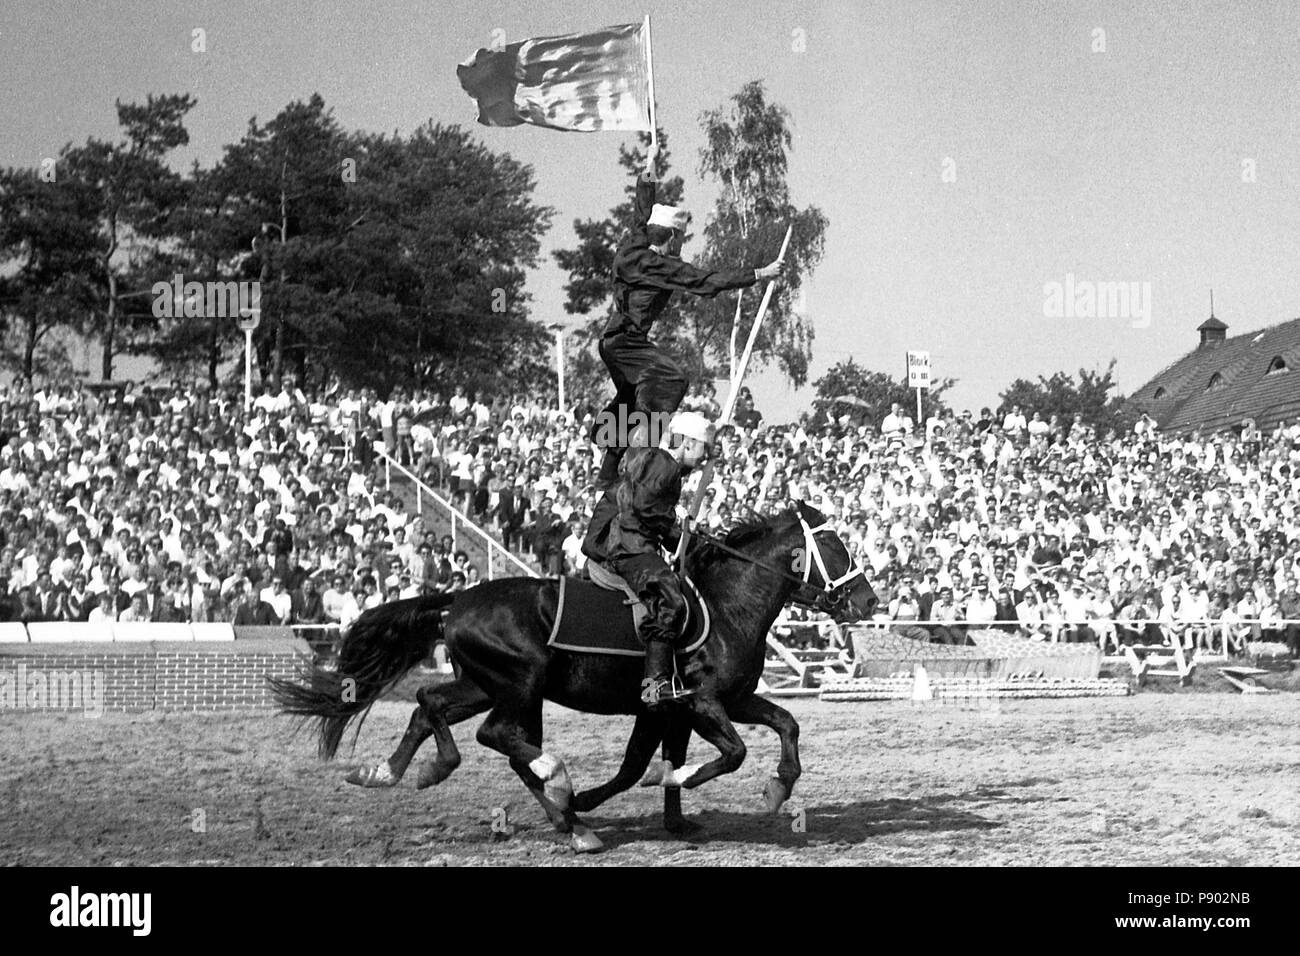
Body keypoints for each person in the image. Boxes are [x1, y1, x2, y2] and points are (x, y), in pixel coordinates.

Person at [591, 145, 785, 487]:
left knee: (630, 398)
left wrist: (649, 167)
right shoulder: (661, 265)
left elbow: (641, 208)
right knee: (673, 379)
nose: (682, 244)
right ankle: (644, 453)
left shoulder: (632, 244)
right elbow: (706, 281)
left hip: (611, 341)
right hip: (627, 341)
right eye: (680, 237)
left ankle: (608, 471)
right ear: (670, 237)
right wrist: (759, 273)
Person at [581, 411, 714, 707]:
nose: (705, 458)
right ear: (689, 444)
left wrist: (686, 535)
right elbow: (644, 508)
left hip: (635, 543)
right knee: (670, 599)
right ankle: (654, 687)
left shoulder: (663, 465)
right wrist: (679, 525)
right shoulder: (664, 465)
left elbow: (653, 515)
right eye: (705, 449)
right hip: (631, 546)